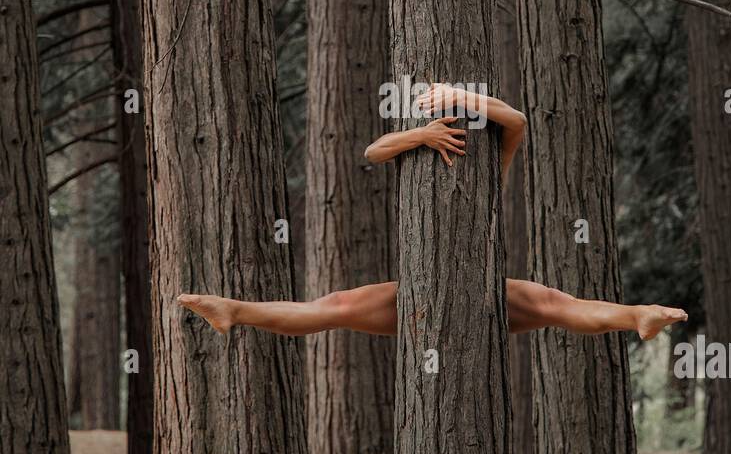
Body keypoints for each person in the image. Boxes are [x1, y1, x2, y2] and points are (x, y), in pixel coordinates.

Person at [178, 83, 687, 343]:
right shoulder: (416, 143)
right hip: (427, 287)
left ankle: (637, 315)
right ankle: (234, 310)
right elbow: (375, 150)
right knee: (332, 307)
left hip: (474, 284)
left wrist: (467, 98)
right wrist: (421, 134)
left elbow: (516, 120)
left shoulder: (493, 154)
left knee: (557, 303)